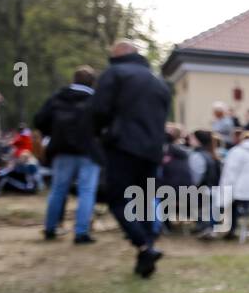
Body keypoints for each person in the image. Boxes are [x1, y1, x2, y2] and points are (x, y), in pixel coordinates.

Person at [91, 39, 172, 277]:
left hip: (122, 147)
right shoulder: (158, 82)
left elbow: (98, 111)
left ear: (117, 54)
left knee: (117, 199)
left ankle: (144, 245)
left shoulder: (114, 74)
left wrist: (101, 135)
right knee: (144, 201)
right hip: (152, 150)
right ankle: (145, 256)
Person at [34, 65, 103, 244]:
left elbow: (40, 120)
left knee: (58, 189)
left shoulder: (57, 97)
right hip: (89, 150)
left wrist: (54, 133)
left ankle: (50, 228)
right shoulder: (96, 100)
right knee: (87, 191)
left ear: (73, 80)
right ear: (93, 83)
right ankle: (81, 232)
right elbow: (105, 124)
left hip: (62, 149)